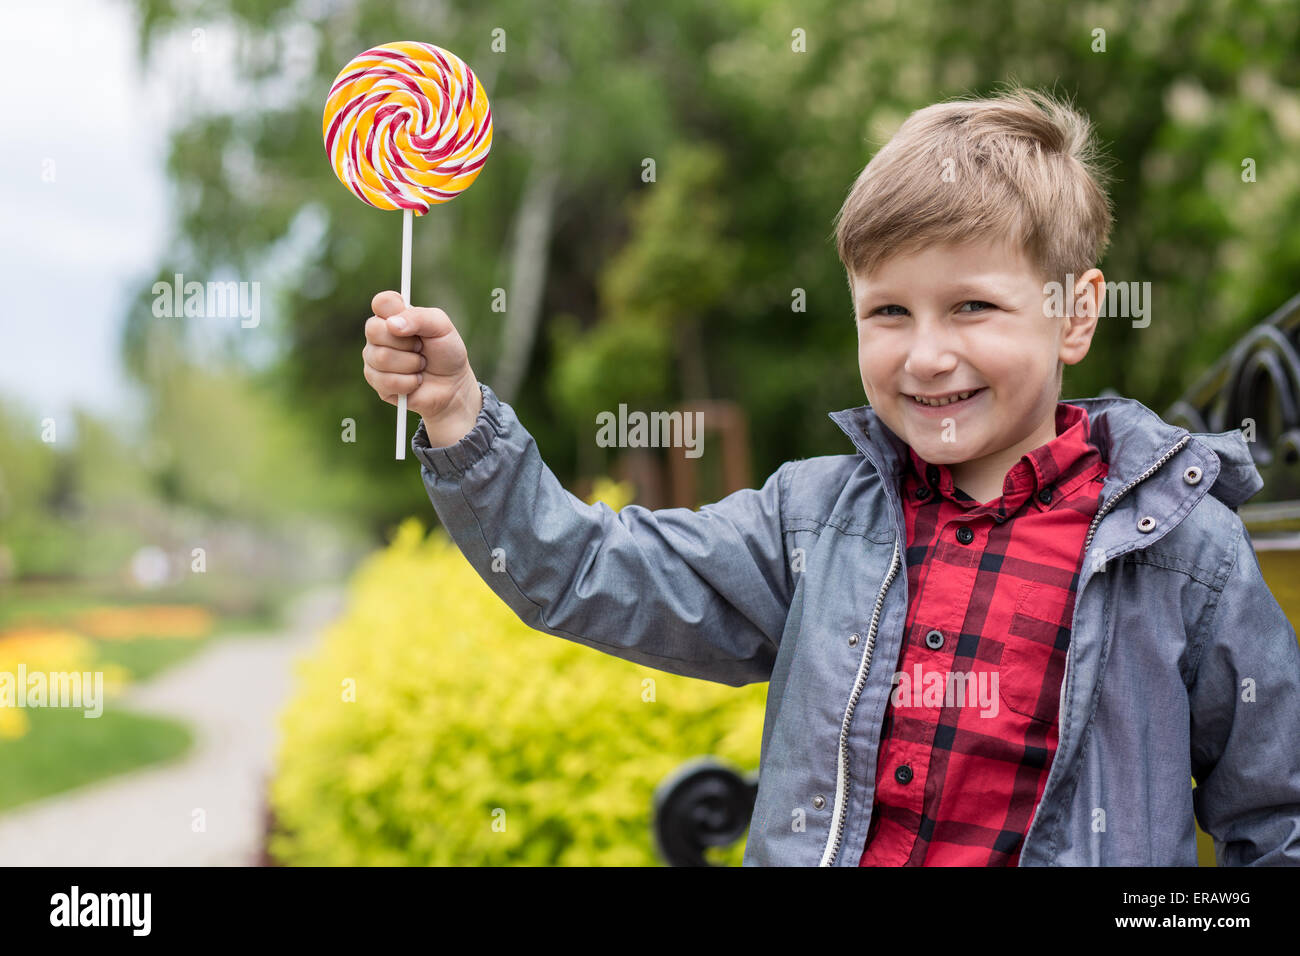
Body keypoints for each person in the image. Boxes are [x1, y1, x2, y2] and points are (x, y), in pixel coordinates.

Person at [360, 86, 1300, 866]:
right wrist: (457, 415)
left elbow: (1277, 815)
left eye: (972, 305)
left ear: (1074, 313)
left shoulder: (1182, 553)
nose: (927, 355)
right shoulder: (810, 526)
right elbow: (577, 570)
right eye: (888, 310)